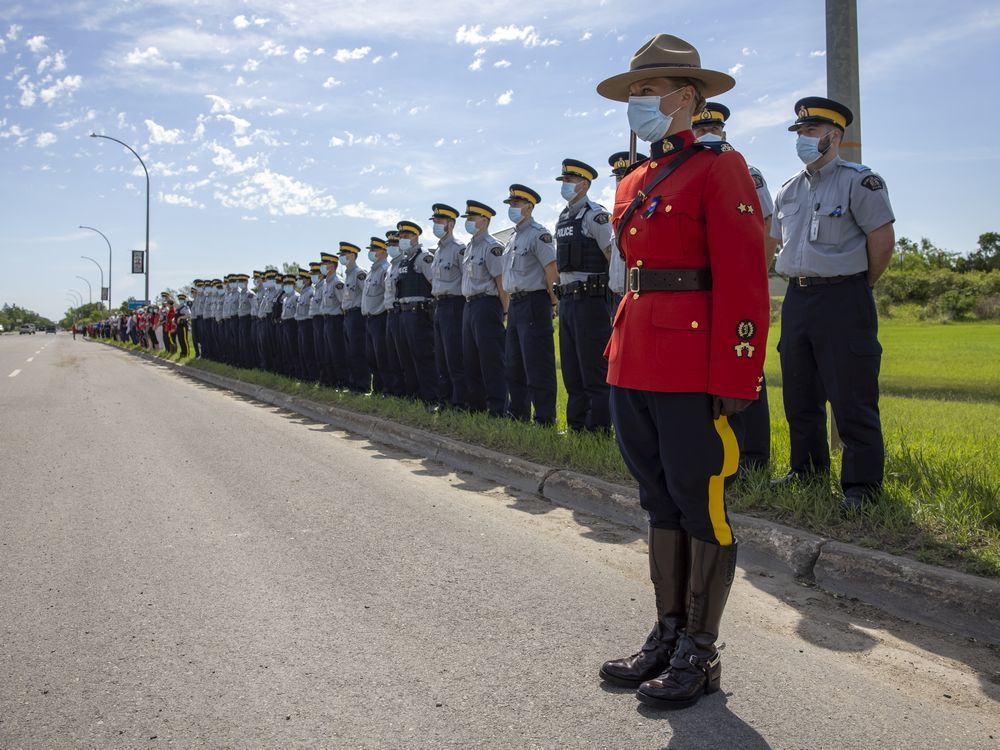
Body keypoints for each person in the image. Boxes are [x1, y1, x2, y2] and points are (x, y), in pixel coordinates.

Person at [594, 34, 769, 710]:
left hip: (692, 362)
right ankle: (667, 635)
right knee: (657, 499)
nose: (636, 101)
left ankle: (701, 649)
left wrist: (736, 376)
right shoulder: (633, 180)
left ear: (686, 97)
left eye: (649, 90)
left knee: (701, 502)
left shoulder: (719, 167)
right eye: (633, 91)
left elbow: (744, 280)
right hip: (634, 355)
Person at [770, 96, 895, 513]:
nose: (802, 138)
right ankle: (806, 471)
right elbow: (776, 243)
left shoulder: (860, 181)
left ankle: (861, 487)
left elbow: (882, 241)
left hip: (844, 297)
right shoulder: (789, 189)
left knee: (852, 396)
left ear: (834, 135)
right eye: (799, 131)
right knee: (799, 394)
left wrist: (857, 285)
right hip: (798, 297)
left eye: (811, 131)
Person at [693, 102, 780, 472]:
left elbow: (767, 228)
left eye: (712, 129)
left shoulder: (745, 170)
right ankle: (715, 452)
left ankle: (753, 457)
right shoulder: (687, 170)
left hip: (735, 288)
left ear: (724, 132)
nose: (706, 136)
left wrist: (752, 275)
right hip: (699, 290)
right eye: (700, 130)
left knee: (744, 365)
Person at [554, 159, 615, 432]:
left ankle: (598, 428)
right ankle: (576, 425)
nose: (565, 185)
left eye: (570, 180)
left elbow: (612, 258)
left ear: (584, 184)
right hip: (568, 302)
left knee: (593, 369)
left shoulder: (596, 216)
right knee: (571, 370)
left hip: (591, 301)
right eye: (564, 181)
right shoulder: (563, 218)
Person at [501, 184, 559, 426]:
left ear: (529, 206)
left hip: (535, 302)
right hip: (516, 304)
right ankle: (518, 414)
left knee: (538, 364)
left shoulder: (538, 234)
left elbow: (551, 270)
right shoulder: (512, 238)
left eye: (516, 203)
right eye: (511, 204)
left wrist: (553, 303)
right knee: (514, 364)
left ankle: (544, 419)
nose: (512, 207)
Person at [460, 200, 508, 417]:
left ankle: (497, 408)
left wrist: (504, 312)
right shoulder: (470, 247)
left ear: (485, 220)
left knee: (491, 359)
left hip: (487, 305)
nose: (468, 221)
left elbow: (501, 282)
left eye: (472, 218)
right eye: (467, 218)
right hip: (470, 305)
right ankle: (476, 406)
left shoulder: (492, 246)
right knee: (470, 359)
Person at [393, 219, 438, 407]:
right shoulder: (404, 261)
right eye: (401, 236)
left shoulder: (424, 257)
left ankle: (430, 397)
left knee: (423, 356)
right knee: (406, 357)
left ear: (416, 236)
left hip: (419, 313)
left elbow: (435, 284)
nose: (402, 238)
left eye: (406, 235)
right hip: (404, 314)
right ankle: (414, 394)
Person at [429, 203, 468, 410]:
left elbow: (467, 278)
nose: (435, 225)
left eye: (439, 221)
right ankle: (444, 399)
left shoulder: (459, 249)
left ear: (451, 224)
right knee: (441, 356)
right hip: (439, 305)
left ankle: (460, 401)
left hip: (455, 305)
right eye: (434, 221)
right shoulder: (438, 251)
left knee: (454, 356)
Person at [606, 152, 648, 317]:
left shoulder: (648, 211)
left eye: (626, 176)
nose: (621, 182)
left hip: (639, 294)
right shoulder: (615, 217)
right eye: (618, 178)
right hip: (617, 297)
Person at [362, 238, 391, 394]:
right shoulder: (371, 272)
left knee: (382, 356)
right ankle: (377, 389)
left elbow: (388, 294)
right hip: (369, 318)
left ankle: (386, 388)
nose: (371, 253)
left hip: (381, 317)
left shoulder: (385, 270)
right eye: (371, 250)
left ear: (384, 252)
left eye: (375, 250)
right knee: (371, 356)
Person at [340, 242, 370, 392]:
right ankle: (353, 383)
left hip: (357, 315)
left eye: (344, 254)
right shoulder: (348, 274)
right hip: (347, 316)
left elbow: (367, 293)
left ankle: (362, 385)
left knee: (358, 351)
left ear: (352, 255)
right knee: (349, 352)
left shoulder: (359, 273)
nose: (341, 257)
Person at [382, 230, 407, 397]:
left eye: (394, 244)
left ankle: (405, 389)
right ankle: (396, 389)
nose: (391, 247)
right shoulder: (391, 267)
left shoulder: (404, 264)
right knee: (391, 354)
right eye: (389, 245)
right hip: (389, 313)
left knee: (401, 354)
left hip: (400, 312)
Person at [318, 252, 345, 388]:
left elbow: (343, 303)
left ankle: (341, 382)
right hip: (327, 320)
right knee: (327, 353)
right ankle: (330, 381)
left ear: (333, 266)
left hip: (336, 321)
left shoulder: (337, 282)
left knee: (337, 352)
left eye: (325, 264)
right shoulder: (325, 283)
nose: (322, 266)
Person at [295, 267, 317, 381]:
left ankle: (311, 377)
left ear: (307, 280)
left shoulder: (310, 293)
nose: (298, 281)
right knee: (302, 351)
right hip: (300, 324)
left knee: (308, 351)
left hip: (308, 324)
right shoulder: (302, 293)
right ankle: (305, 376)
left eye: (301, 279)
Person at [279, 272, 300, 378]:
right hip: (285, 324)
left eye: (289, 284)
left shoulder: (297, 297)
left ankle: (297, 373)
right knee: (287, 349)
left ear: (294, 285)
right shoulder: (285, 298)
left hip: (292, 324)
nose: (287, 286)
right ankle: (290, 372)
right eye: (285, 284)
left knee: (293, 349)